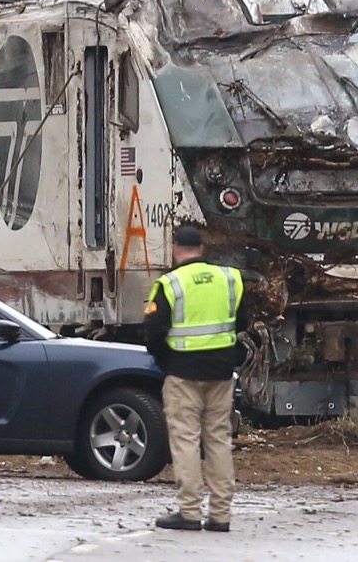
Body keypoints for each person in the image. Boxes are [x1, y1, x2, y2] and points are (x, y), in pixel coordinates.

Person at [142, 223, 250, 534]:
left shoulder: (169, 284)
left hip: (183, 373)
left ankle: (189, 512)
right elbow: (241, 321)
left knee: (186, 440)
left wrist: (167, 362)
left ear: (175, 250)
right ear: (203, 249)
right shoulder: (230, 279)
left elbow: (152, 333)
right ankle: (220, 515)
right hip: (221, 371)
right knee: (218, 439)